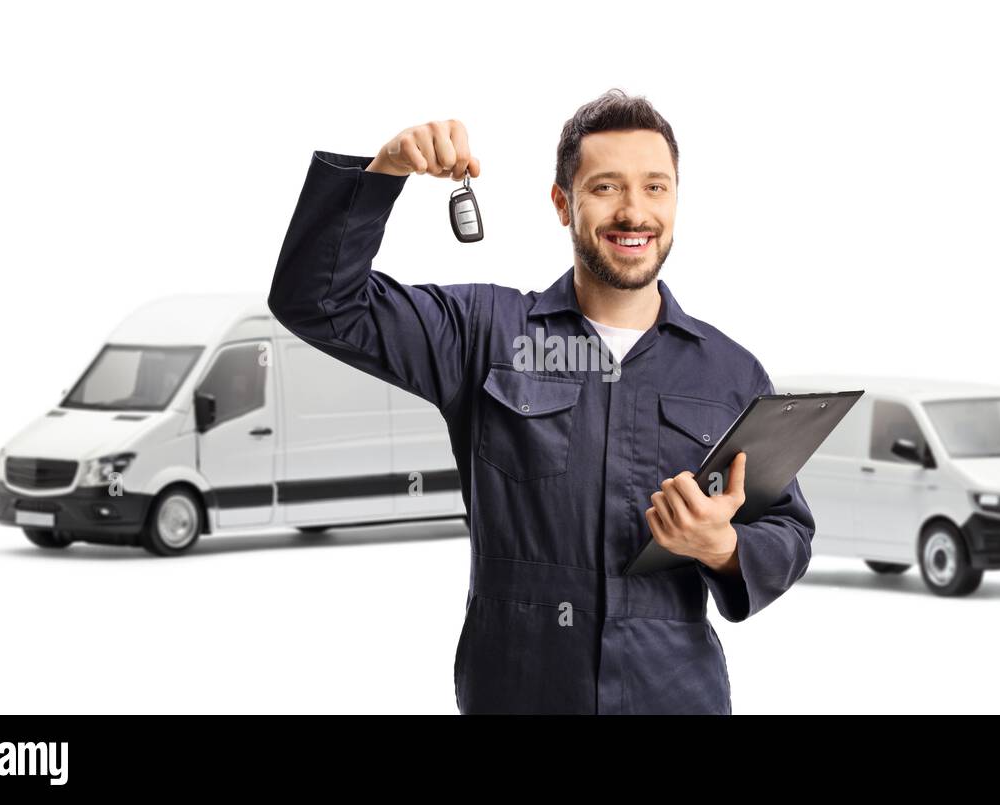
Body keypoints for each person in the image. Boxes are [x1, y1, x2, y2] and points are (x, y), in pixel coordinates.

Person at [267, 88, 815, 714]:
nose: (634, 212)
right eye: (606, 187)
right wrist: (383, 172)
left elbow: (788, 530)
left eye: (655, 187)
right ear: (563, 203)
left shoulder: (729, 372)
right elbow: (318, 304)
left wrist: (722, 548)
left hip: (676, 694)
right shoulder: (484, 334)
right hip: (519, 692)